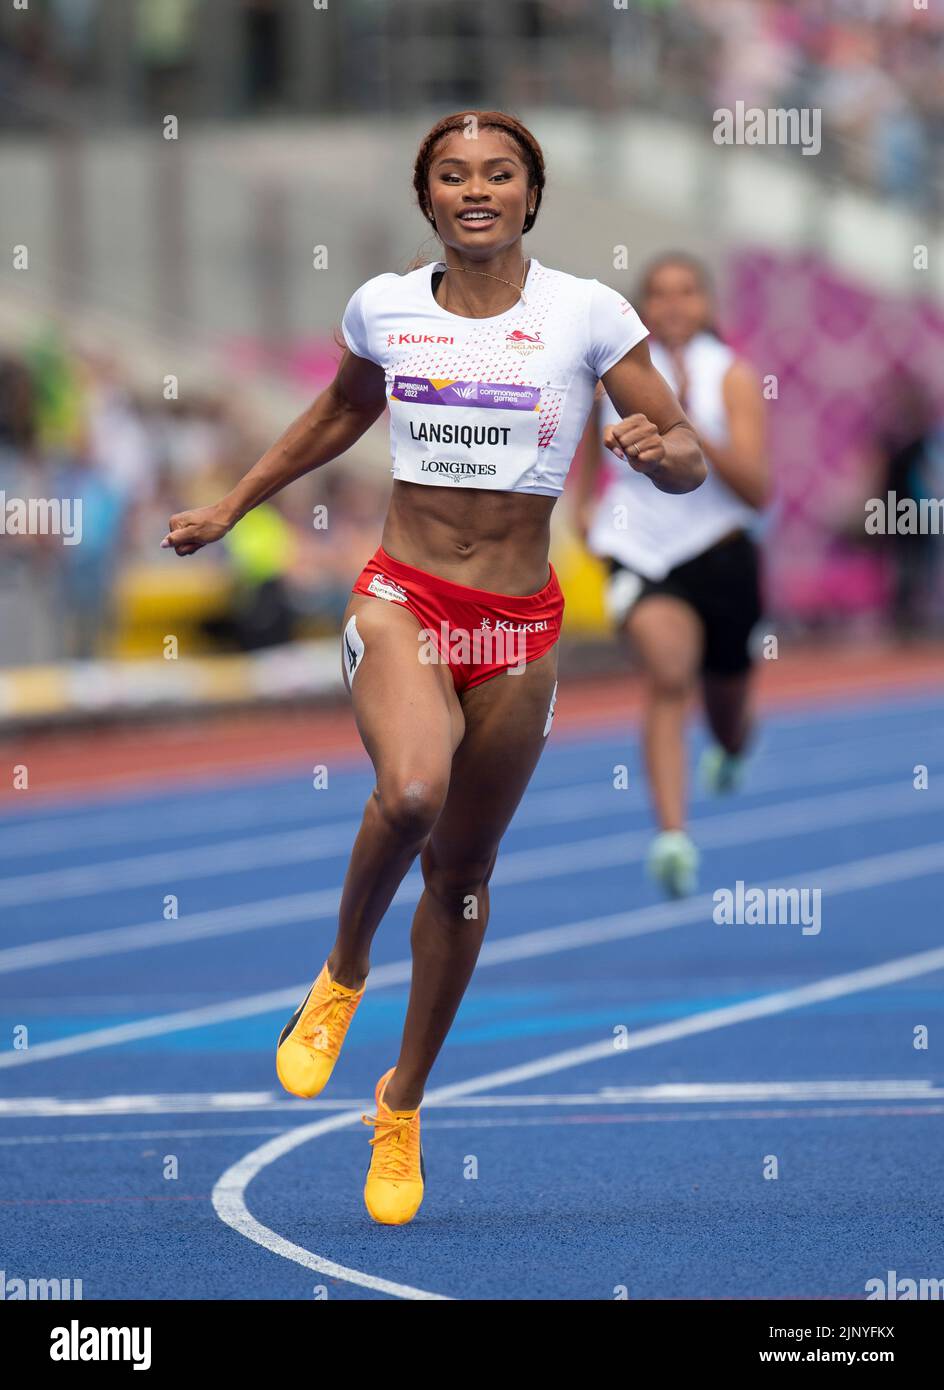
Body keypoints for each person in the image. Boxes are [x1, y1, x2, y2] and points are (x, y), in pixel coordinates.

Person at [162, 112, 705, 1225]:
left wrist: (665, 455)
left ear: (529, 195)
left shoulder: (588, 316)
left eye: (497, 174)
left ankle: (400, 1100)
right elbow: (336, 411)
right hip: (406, 597)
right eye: (452, 175)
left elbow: (688, 451)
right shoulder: (384, 306)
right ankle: (342, 971)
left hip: (517, 626)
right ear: (427, 198)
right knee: (411, 789)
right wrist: (231, 504)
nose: (475, 190)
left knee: (461, 877)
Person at [575, 252, 769, 898]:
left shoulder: (732, 377)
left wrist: (688, 423)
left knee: (726, 717)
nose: (674, 305)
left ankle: (733, 745)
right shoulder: (613, 373)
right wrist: (581, 508)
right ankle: (671, 835)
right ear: (641, 306)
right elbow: (583, 444)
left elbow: (757, 490)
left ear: (707, 304)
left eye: (688, 292)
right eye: (659, 294)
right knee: (667, 674)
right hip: (640, 552)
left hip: (720, 552)